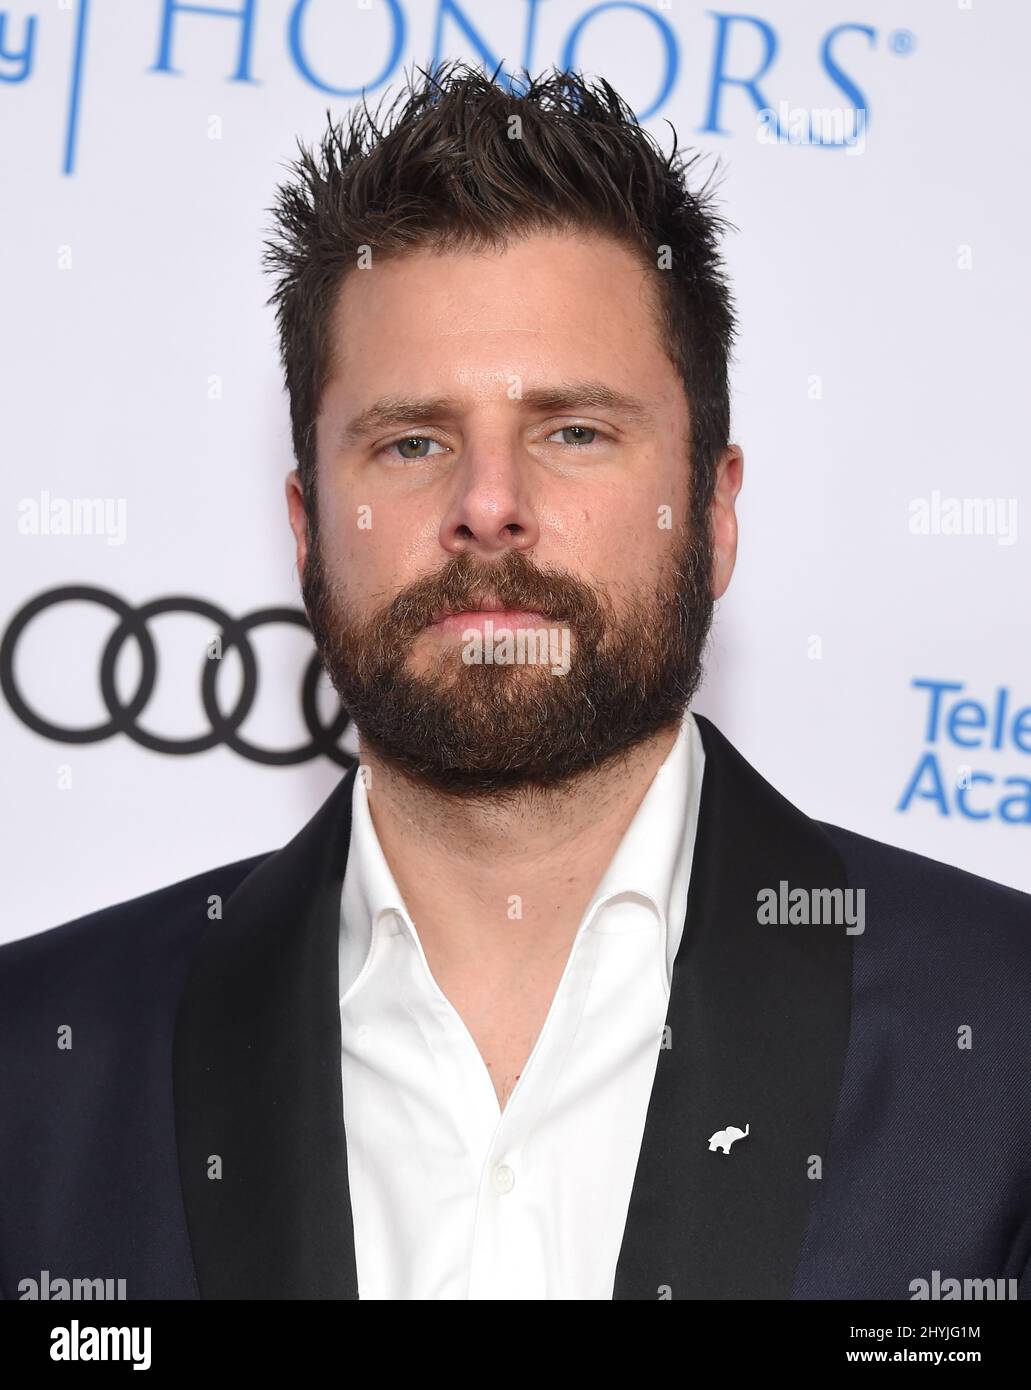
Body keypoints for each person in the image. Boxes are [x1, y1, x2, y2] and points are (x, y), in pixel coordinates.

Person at [1, 63, 1028, 1303]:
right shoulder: (38, 1067)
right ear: (307, 525)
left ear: (712, 511)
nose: (488, 507)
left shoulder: (1001, 1037)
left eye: (573, 432)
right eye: (413, 441)